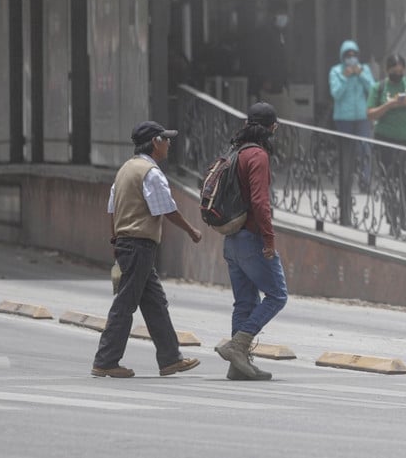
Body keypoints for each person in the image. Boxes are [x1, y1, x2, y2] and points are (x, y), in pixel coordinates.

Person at [92, 121, 203, 379]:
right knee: (125, 304)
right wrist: (191, 230)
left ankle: (170, 359)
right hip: (139, 244)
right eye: (166, 139)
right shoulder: (150, 172)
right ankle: (106, 360)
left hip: (129, 244)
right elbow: (165, 208)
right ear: (155, 142)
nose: (169, 144)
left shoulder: (125, 170)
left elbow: (112, 209)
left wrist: (115, 241)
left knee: (155, 302)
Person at [215, 102, 289, 381]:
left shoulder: (236, 152)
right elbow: (260, 202)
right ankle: (239, 345)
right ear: (271, 128)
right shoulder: (258, 156)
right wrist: (269, 238)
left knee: (244, 302)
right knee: (277, 295)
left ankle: (238, 366)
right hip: (250, 238)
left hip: (231, 239)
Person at [367, 54, 406, 236]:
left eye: (400, 71)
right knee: (389, 179)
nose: (398, 74)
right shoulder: (379, 88)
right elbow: (371, 114)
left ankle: (401, 209)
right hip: (385, 139)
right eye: (394, 71)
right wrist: (389, 105)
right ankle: (393, 216)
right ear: (387, 71)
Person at [330, 39, 376, 191]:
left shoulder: (364, 69)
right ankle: (345, 183)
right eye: (348, 55)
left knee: (365, 149)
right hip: (343, 118)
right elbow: (336, 94)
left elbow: (373, 89)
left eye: (354, 55)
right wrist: (345, 77)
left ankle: (365, 181)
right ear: (342, 57)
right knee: (346, 151)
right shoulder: (336, 71)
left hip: (362, 117)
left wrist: (361, 74)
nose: (351, 58)